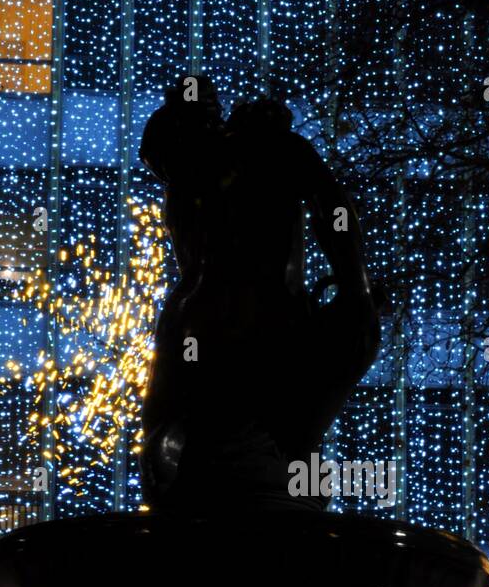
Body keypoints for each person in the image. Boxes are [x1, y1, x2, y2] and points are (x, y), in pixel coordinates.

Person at [139, 77, 382, 512]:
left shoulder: (200, 157)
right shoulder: (231, 151)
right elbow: (336, 210)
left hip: (207, 315)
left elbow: (334, 210)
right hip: (250, 312)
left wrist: (354, 284)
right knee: (281, 431)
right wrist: (355, 285)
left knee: (178, 432)